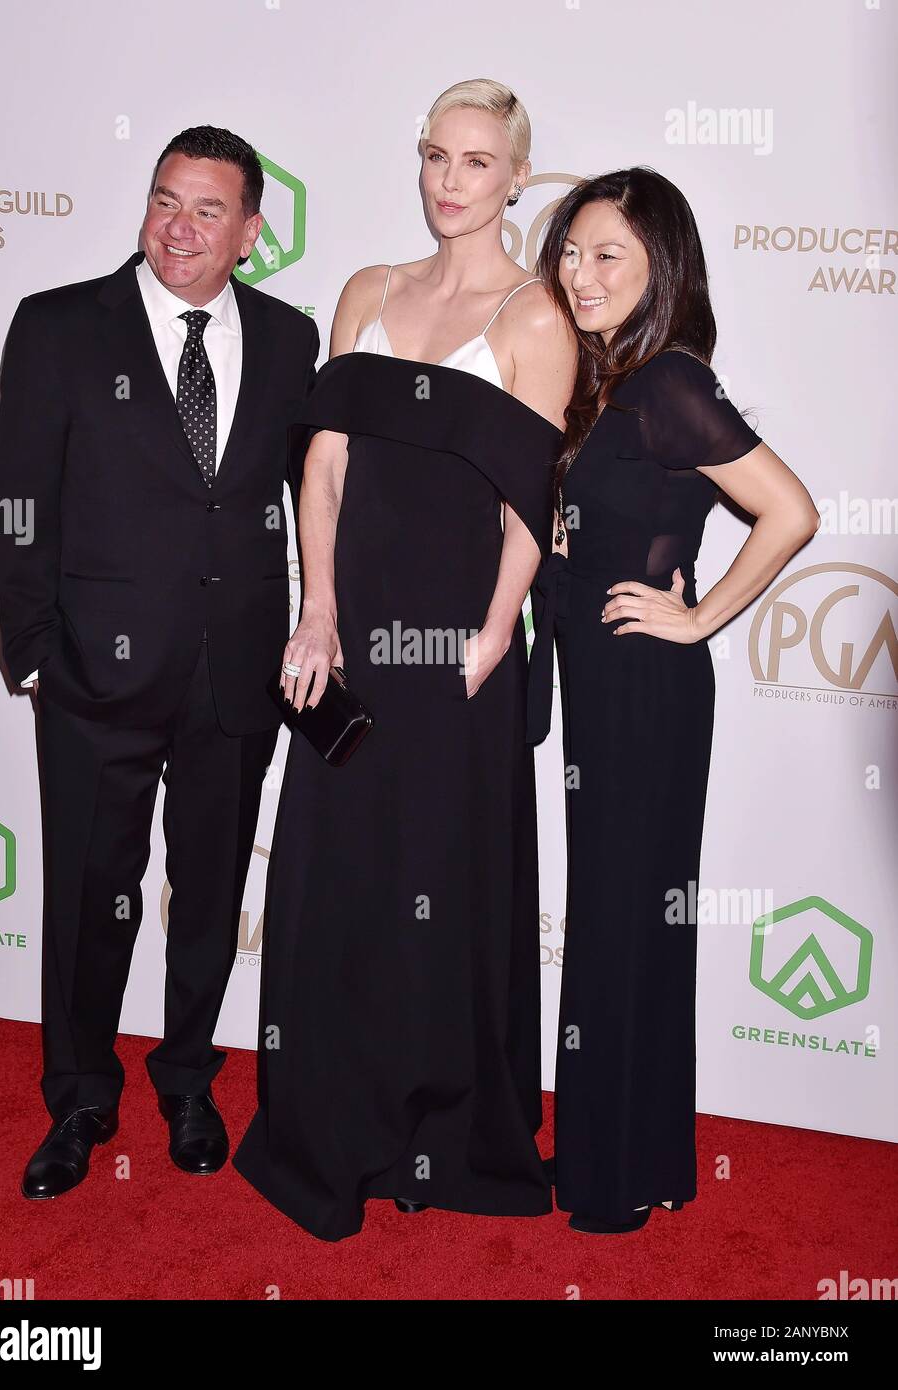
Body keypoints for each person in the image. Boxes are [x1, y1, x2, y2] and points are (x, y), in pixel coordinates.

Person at [231, 79, 576, 1241]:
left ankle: (441, 1130)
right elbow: (322, 464)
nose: (449, 179)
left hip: (458, 650)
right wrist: (316, 608)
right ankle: (330, 1120)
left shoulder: (537, 320)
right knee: (338, 878)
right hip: (353, 626)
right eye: (436, 154)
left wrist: (492, 632)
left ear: (516, 177)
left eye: (477, 162)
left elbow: (533, 507)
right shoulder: (367, 291)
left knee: (444, 881)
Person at [0, 125, 319, 1199]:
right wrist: (33, 649)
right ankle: (79, 1099)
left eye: (208, 210)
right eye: (165, 200)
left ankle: (186, 1080)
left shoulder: (288, 338)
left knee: (212, 890)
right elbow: (17, 498)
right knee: (90, 894)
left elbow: (309, 496)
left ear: (251, 232)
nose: (180, 226)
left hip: (235, 675)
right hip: (93, 675)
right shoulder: (58, 326)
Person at [527, 167, 820, 1233]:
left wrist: (700, 617)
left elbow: (789, 510)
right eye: (571, 250)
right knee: (618, 921)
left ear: (663, 270)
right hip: (599, 688)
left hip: (646, 691)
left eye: (609, 254)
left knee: (623, 920)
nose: (582, 271)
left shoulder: (669, 384)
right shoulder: (609, 378)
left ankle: (612, 1176)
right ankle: (626, 1152)